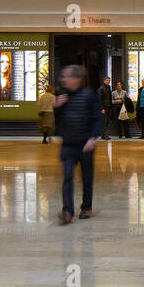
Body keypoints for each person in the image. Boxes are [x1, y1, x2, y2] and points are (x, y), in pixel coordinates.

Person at [53, 65, 102, 224]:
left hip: (85, 144)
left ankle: (86, 207)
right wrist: (57, 108)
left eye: (66, 76)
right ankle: (67, 211)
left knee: (87, 178)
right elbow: (58, 122)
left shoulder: (88, 95)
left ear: (76, 79)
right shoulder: (62, 96)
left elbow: (97, 118)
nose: (63, 80)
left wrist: (92, 138)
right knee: (68, 177)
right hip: (68, 144)